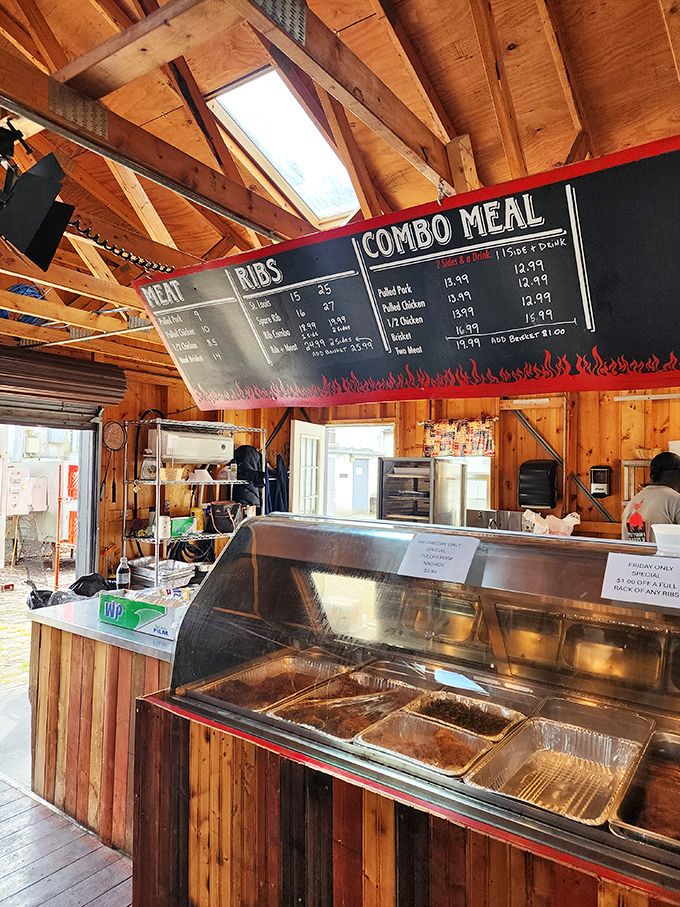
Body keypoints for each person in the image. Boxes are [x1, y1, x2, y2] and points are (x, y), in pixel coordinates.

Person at [622, 451, 680, 542]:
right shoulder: (675, 501)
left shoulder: (631, 504)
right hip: (664, 556)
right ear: (675, 473)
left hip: (634, 556)